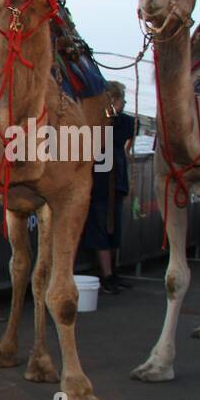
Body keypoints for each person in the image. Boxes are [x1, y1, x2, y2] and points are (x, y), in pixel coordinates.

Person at [83, 81, 135, 294]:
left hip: (113, 183)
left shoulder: (121, 122)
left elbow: (127, 138)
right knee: (102, 230)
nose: (124, 103)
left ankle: (111, 273)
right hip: (101, 185)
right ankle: (107, 275)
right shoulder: (95, 122)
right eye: (121, 99)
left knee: (112, 230)